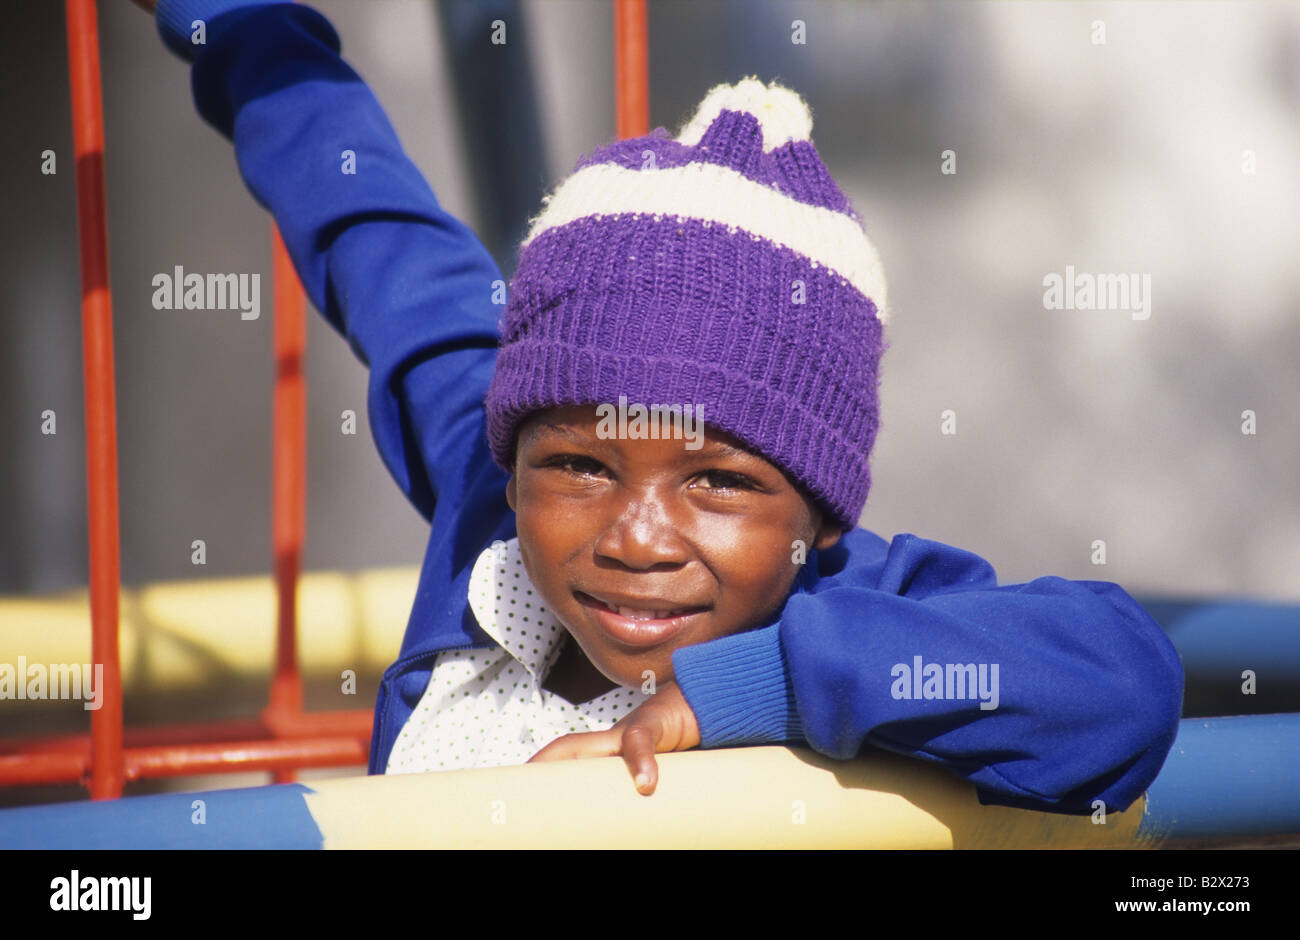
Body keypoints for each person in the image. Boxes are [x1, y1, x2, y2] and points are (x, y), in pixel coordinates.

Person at [134, 0, 1183, 813]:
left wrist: (758, 686)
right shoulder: (483, 493)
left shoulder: (845, 611)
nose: (637, 535)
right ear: (514, 449)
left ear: (817, 518)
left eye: (720, 480)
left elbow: (1120, 678)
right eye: (581, 466)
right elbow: (365, 218)